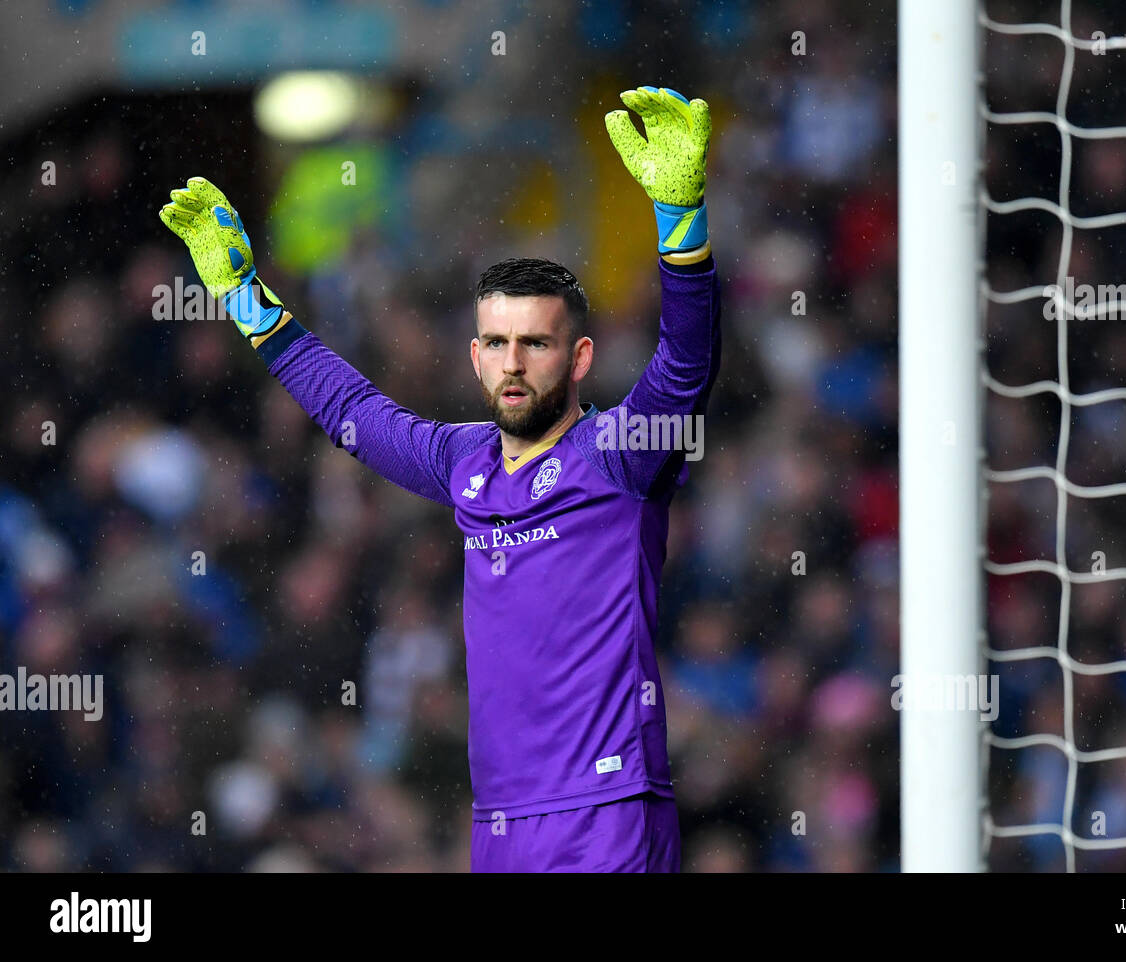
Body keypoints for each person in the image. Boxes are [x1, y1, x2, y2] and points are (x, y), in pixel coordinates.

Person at [159, 85, 721, 872]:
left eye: (536, 343)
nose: (514, 363)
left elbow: (686, 365)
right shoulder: (463, 463)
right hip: (497, 822)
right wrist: (249, 302)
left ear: (581, 358)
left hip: (606, 809)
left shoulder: (621, 455)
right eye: (496, 342)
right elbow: (350, 409)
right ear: (475, 357)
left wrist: (681, 221)